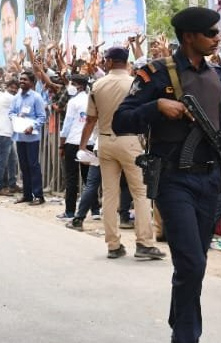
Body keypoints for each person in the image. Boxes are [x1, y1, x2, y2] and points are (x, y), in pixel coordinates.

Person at [113, 6, 221, 343]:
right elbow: (121, 120)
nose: (217, 38)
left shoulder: (217, 77)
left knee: (196, 265)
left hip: (210, 179)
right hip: (174, 179)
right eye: (211, 33)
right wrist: (157, 106)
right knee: (190, 263)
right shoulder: (156, 74)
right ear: (189, 36)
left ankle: (180, 339)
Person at [79, 46, 164, 261]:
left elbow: (90, 119)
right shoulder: (135, 83)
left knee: (109, 193)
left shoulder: (98, 85)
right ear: (125, 61)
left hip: (106, 140)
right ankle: (144, 242)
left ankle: (113, 244)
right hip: (131, 140)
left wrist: (82, 146)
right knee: (140, 192)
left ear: (108, 61)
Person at [10, 69, 46, 205]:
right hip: (19, 136)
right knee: (24, 166)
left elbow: (42, 117)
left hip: (32, 138)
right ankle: (27, 194)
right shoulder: (16, 97)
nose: (21, 81)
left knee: (33, 165)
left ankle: (38, 195)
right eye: (21, 79)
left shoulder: (36, 97)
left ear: (32, 82)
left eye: (25, 79)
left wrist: (33, 126)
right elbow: (11, 112)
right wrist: (15, 117)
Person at [58, 73, 91, 221]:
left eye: (72, 83)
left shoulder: (73, 102)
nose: (70, 86)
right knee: (88, 179)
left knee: (71, 178)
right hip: (89, 142)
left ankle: (70, 211)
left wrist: (61, 144)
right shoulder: (91, 99)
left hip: (73, 141)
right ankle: (95, 210)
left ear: (79, 86)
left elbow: (67, 125)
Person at [0, 0, 20, 67]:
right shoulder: (0, 69)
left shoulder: (26, 68)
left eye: (9, 22)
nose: (6, 32)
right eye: (3, 24)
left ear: (16, 24)